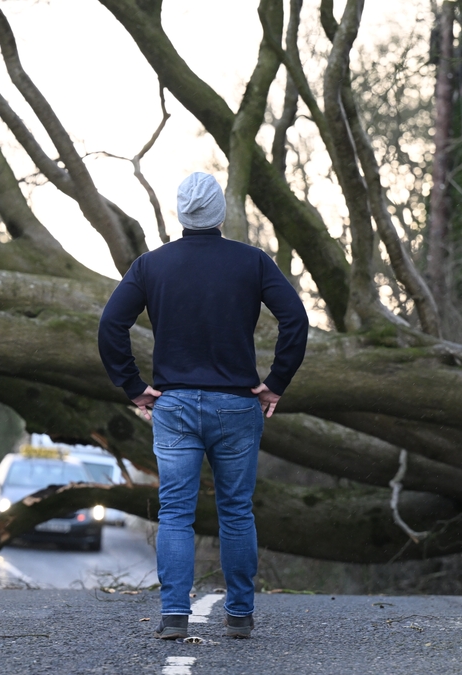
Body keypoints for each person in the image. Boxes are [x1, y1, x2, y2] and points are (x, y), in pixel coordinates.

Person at [97, 172, 309, 640]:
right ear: (221, 213)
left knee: (175, 512)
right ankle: (239, 616)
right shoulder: (251, 262)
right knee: (236, 510)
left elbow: (111, 325)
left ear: (181, 213)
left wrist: (133, 387)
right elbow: (294, 318)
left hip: (172, 405)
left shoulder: (151, 266)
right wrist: (275, 383)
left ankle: (174, 615)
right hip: (237, 405)